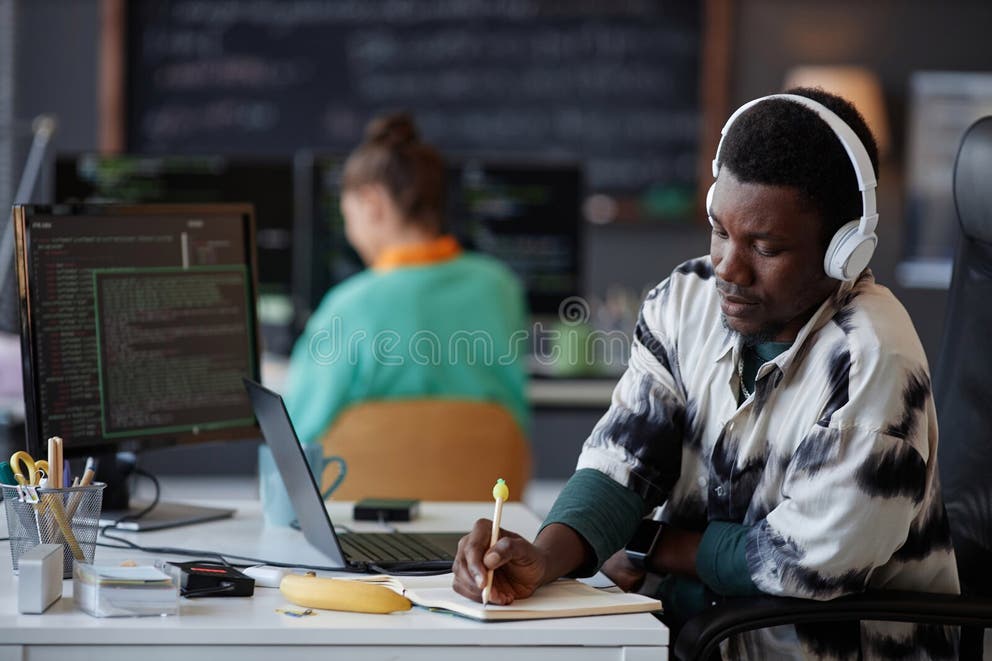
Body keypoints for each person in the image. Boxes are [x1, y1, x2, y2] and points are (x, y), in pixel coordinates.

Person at [452, 88, 959, 659]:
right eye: (720, 231)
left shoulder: (872, 359)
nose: (727, 267)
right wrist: (543, 558)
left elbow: (804, 561)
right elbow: (623, 459)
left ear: (843, 251)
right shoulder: (684, 300)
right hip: (696, 638)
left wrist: (649, 543)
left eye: (765, 247)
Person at [284, 112, 530, 446]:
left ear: (372, 204)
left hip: (367, 481)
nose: (351, 234)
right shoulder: (500, 288)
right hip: (490, 480)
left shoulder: (348, 307)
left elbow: (296, 433)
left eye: (348, 217)